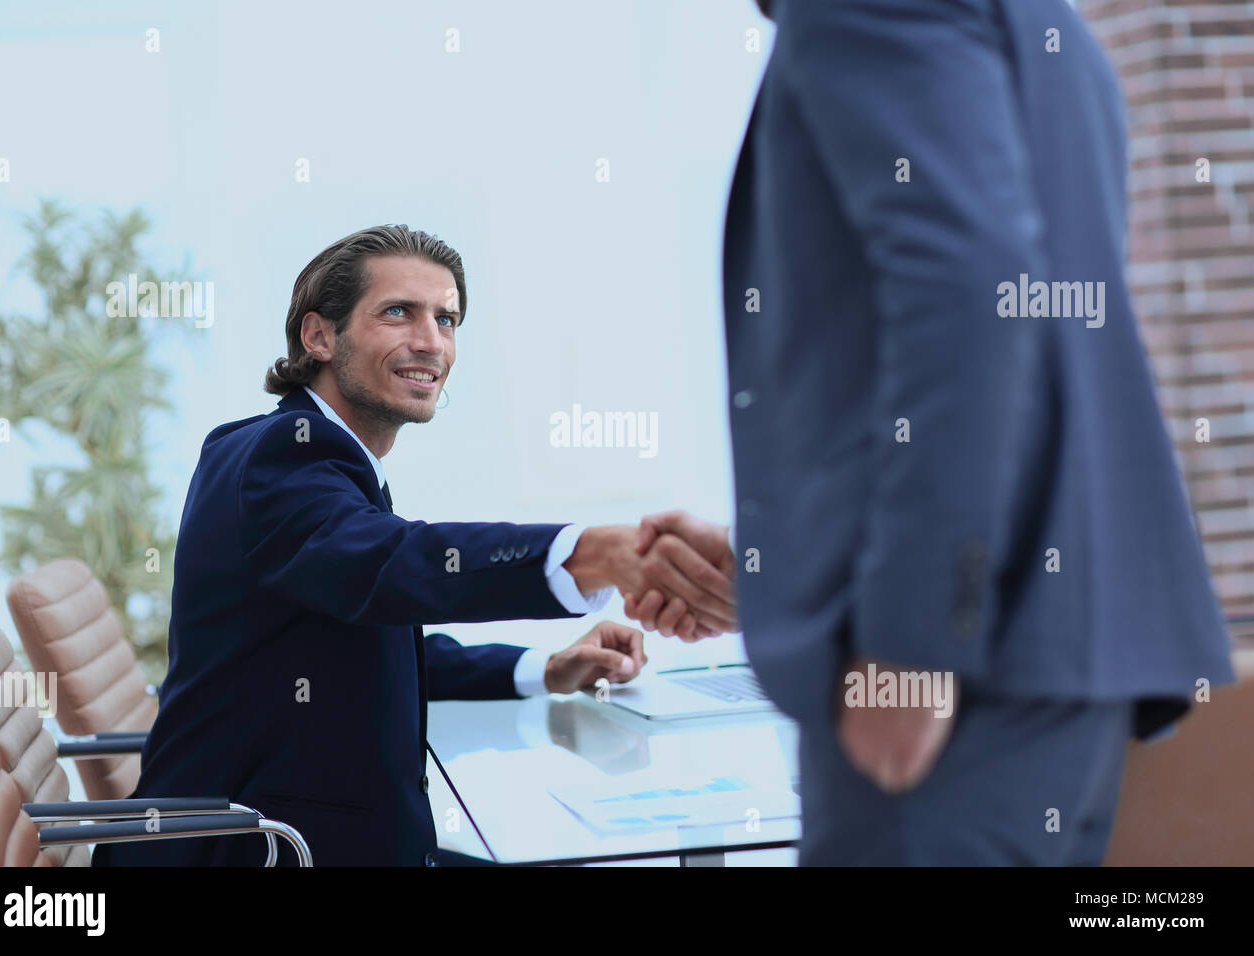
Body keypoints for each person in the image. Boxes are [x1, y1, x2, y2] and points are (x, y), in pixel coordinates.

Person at [634, 0, 1235, 865]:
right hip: (1048, 653)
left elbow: (971, 296)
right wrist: (778, 560)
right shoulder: (1039, 22)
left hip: (963, 671)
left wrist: (910, 642)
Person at [93, 224, 735, 866]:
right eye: (399, 312)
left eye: (447, 319)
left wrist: (545, 668)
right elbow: (393, 564)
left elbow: (373, 646)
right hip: (260, 850)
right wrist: (596, 553)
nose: (431, 341)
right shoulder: (283, 456)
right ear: (319, 335)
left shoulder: (310, 454)